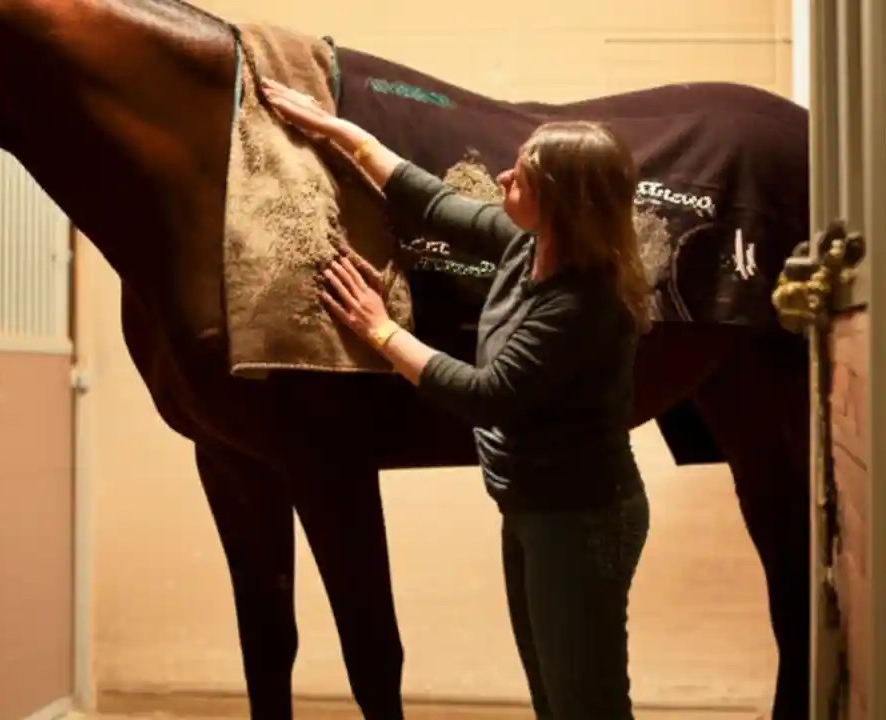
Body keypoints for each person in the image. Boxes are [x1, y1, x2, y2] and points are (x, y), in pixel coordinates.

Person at [262, 77, 653, 719]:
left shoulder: (580, 303)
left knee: (588, 703)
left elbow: (486, 395)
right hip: (538, 510)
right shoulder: (529, 244)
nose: (502, 178)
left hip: (580, 522)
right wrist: (335, 129)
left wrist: (379, 329)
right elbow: (434, 200)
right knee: (556, 698)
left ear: (558, 199)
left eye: (521, 175)